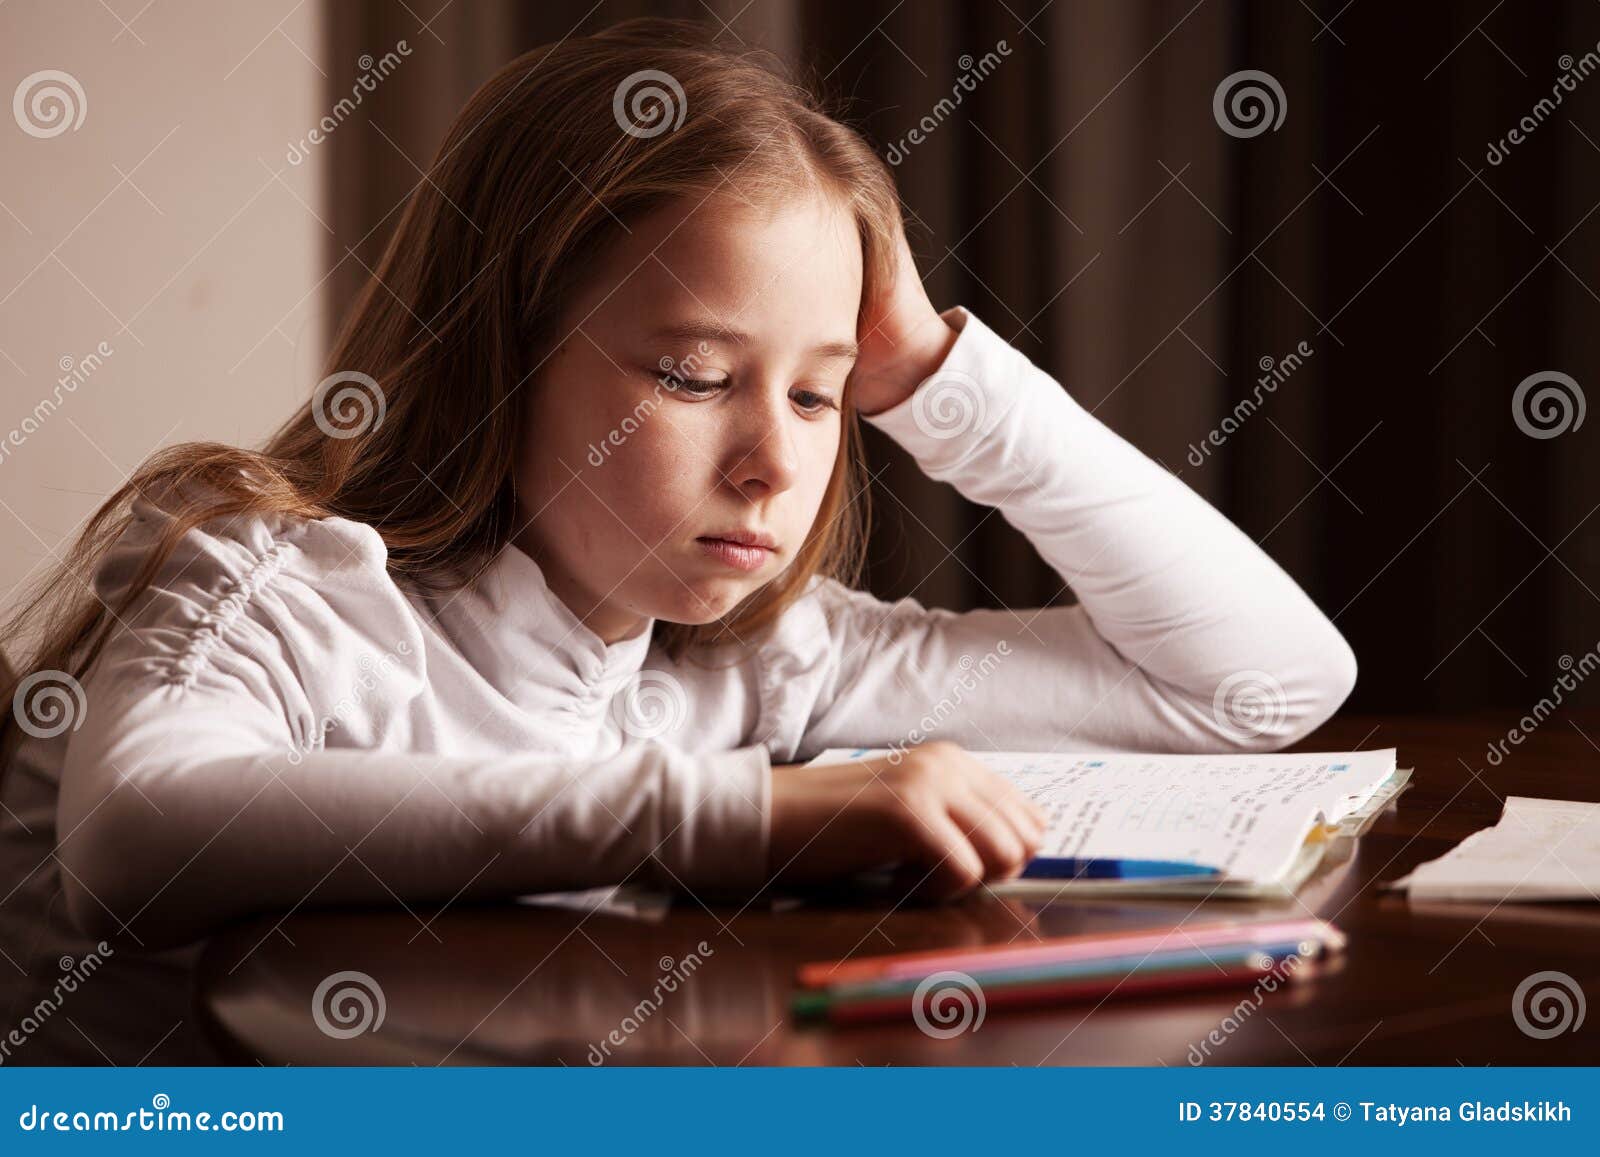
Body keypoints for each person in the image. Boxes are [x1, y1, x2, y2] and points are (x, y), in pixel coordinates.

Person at [0, 18, 1355, 1064]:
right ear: (499, 357)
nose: (776, 459)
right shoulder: (272, 583)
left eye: (820, 393)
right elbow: (135, 839)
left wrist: (943, 380)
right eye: (698, 377)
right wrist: (735, 816)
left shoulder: (762, 651)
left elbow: (1260, 683)